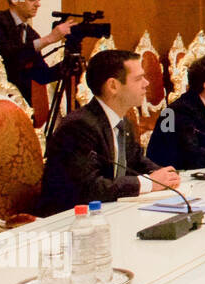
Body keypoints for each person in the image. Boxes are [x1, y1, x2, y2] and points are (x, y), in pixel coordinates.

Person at [39, 49, 180, 215]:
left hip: (110, 212)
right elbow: (90, 188)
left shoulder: (123, 122)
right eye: (138, 78)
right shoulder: (79, 126)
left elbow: (136, 162)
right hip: (67, 221)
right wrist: (149, 182)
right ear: (113, 86)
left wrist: (166, 175)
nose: (146, 83)